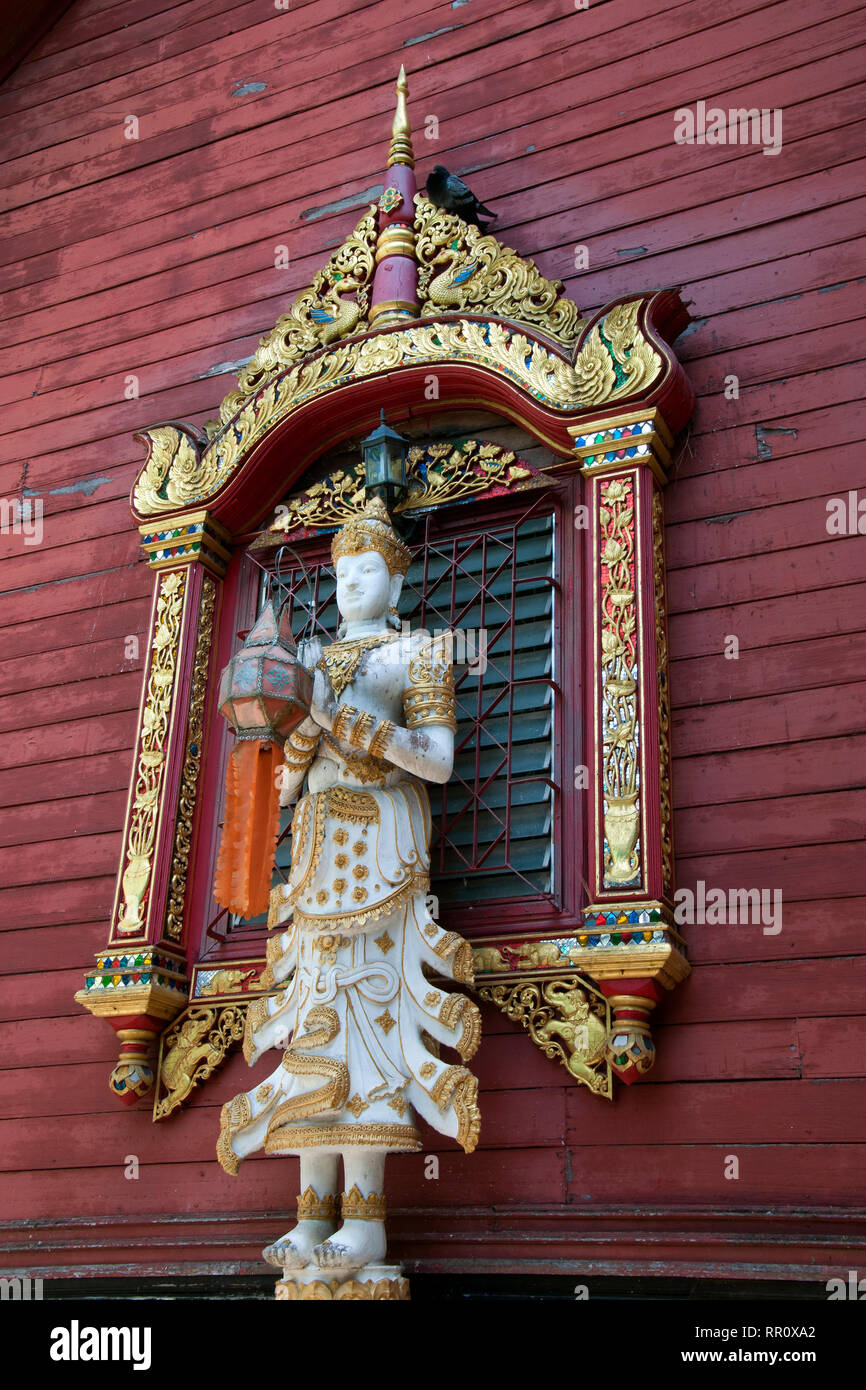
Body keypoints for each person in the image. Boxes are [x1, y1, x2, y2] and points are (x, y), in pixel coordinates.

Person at [217, 495, 480, 1275]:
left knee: (371, 1021)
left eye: (367, 570)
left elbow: (436, 760)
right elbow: (289, 787)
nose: (351, 585)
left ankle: (365, 1222)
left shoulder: (419, 653)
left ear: (395, 584)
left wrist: (342, 720)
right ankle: (309, 1216)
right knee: (314, 1021)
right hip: (317, 860)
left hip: (384, 851)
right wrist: (296, 731)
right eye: (340, 572)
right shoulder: (310, 664)